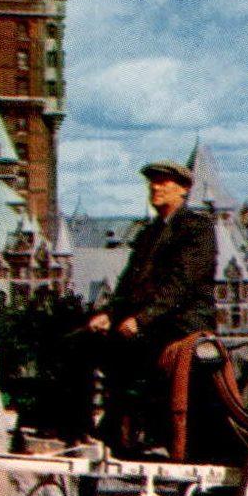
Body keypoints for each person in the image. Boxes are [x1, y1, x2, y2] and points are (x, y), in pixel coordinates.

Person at [87, 160, 215, 454]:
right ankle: (80, 424)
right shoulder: (149, 233)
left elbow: (180, 286)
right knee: (82, 339)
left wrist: (141, 320)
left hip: (182, 321)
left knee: (140, 346)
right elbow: (129, 283)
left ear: (183, 189)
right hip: (151, 319)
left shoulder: (196, 227)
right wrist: (110, 314)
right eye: (152, 183)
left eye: (163, 182)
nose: (155, 188)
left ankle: (147, 432)